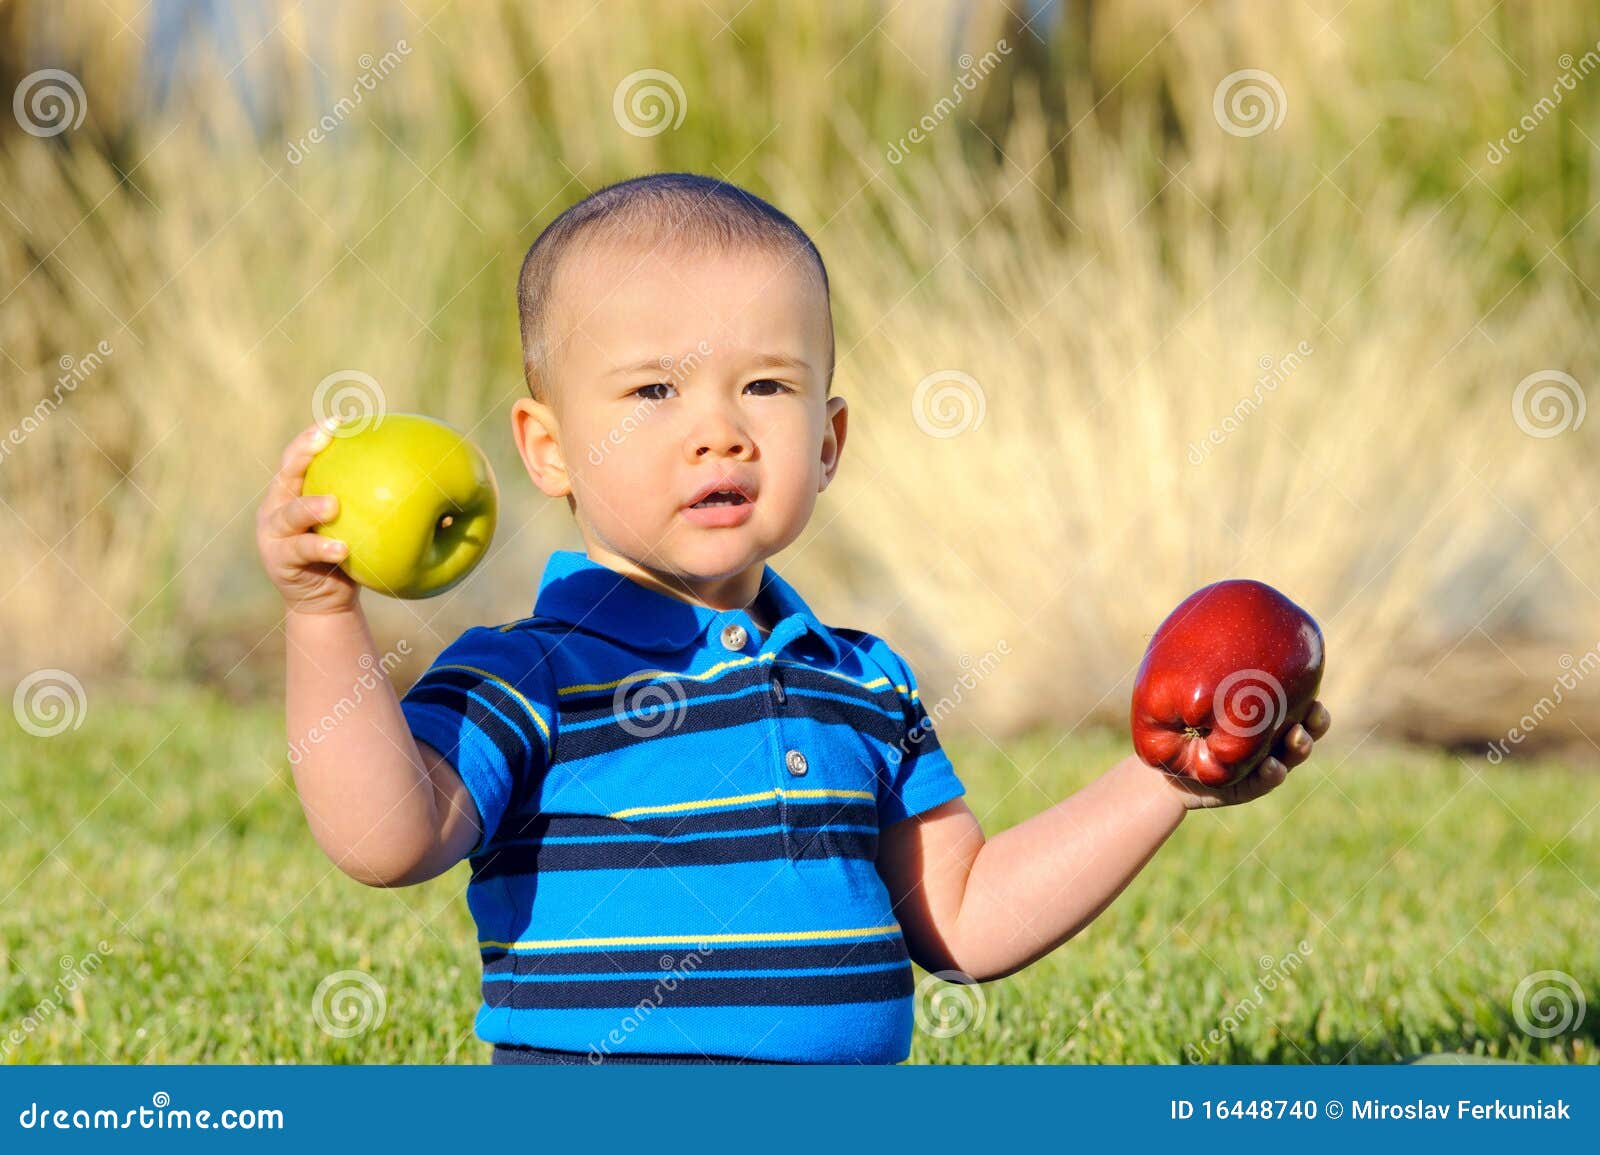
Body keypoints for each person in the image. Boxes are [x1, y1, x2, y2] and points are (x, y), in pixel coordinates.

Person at [254, 171, 1331, 1064]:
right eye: (651, 395)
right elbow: (384, 838)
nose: (719, 432)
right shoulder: (526, 672)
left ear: (828, 439)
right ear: (547, 448)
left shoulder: (863, 683)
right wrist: (321, 613)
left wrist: (1160, 783)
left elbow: (963, 920)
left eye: (766, 386)